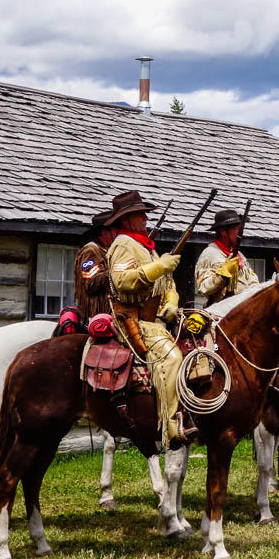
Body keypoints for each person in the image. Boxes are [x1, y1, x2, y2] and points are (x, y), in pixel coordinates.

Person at [98, 190, 193, 448]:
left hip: (157, 319)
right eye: (139, 215)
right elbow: (123, 281)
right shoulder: (122, 245)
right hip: (134, 320)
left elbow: (167, 283)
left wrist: (172, 301)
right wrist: (159, 267)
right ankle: (172, 426)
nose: (145, 219)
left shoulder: (143, 246)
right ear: (125, 220)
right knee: (171, 358)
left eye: (144, 214)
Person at [195, 209, 259, 306]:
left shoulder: (240, 255)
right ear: (223, 231)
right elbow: (204, 288)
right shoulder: (210, 254)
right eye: (236, 228)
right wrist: (222, 275)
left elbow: (253, 283)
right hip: (219, 309)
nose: (240, 232)